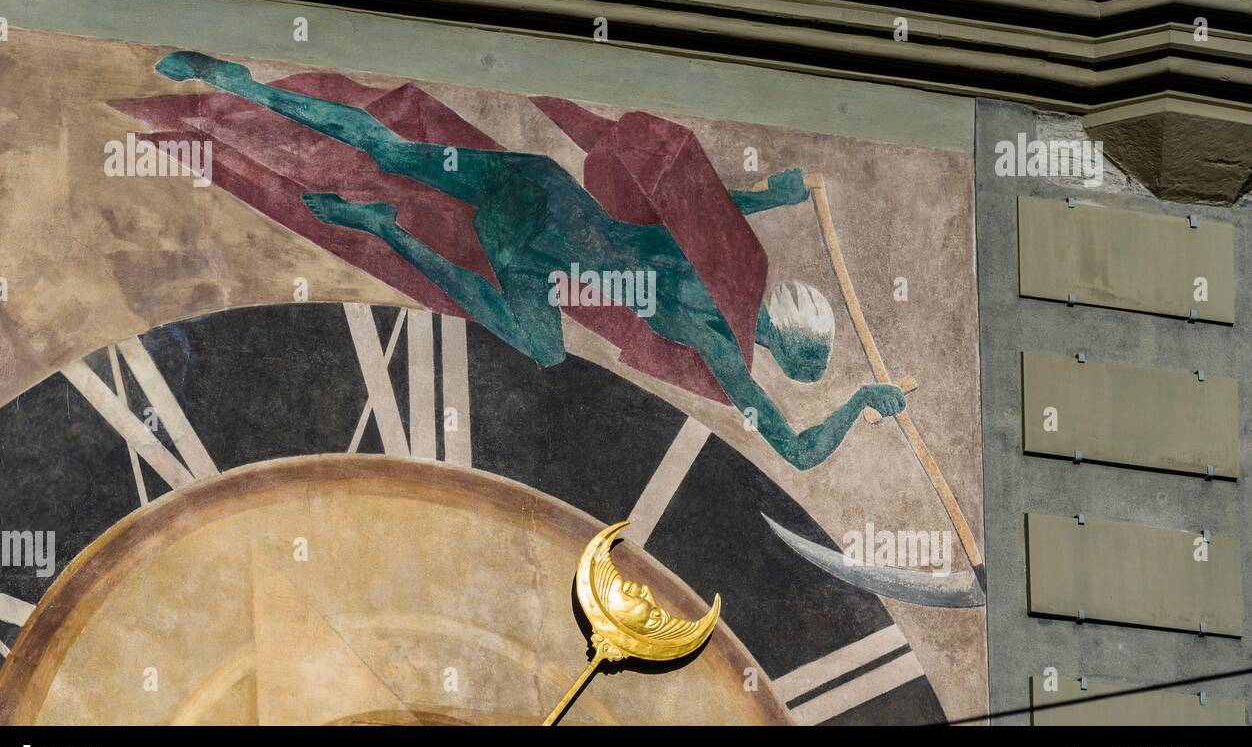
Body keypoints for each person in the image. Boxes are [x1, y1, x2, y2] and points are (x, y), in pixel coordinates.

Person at [155, 51, 906, 469]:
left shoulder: (731, 264)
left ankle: (238, 81)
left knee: (387, 145)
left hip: (534, 189)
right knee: (542, 349)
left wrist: (773, 198)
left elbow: (706, 200)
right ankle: (388, 231)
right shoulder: (721, 343)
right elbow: (800, 450)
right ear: (783, 347)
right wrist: (861, 401)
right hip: (532, 253)